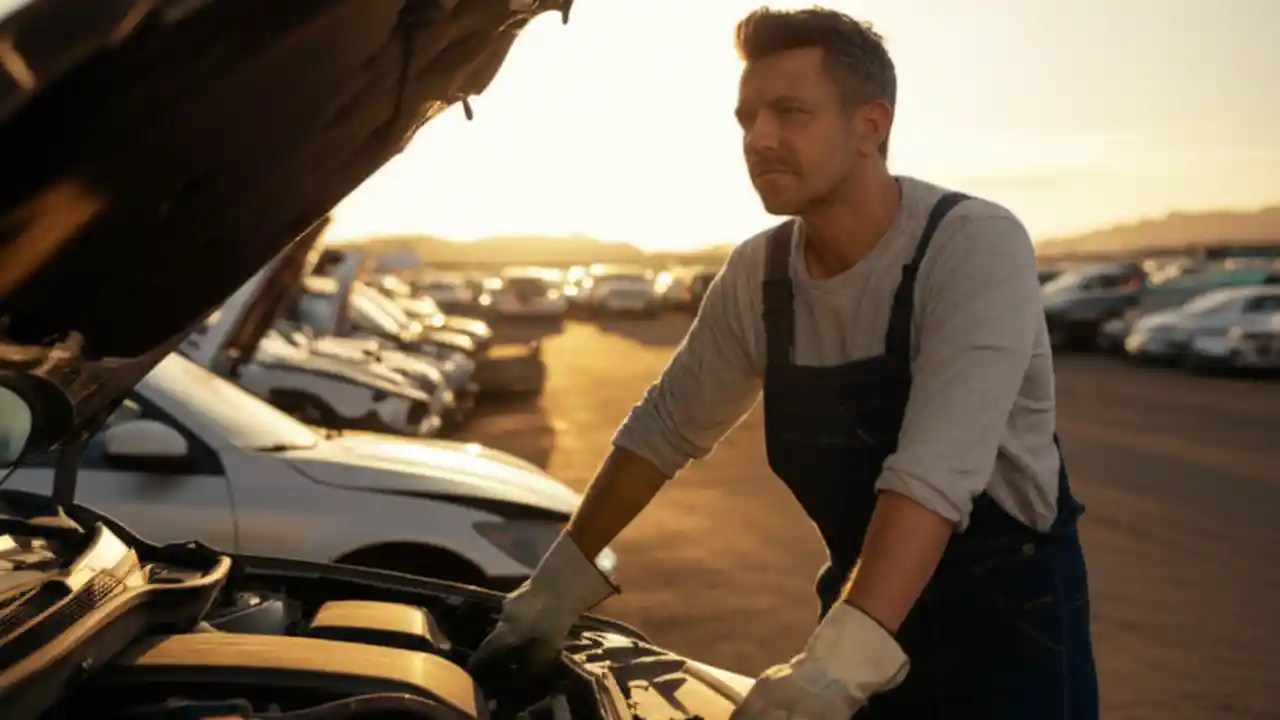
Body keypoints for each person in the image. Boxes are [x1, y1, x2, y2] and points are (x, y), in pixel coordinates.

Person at [470, 7, 1099, 719]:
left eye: (790, 112)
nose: (759, 138)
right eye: (747, 117)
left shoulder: (972, 246)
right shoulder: (759, 275)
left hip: (1004, 619)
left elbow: (933, 475)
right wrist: (553, 590)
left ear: (872, 125)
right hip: (862, 597)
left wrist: (834, 675)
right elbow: (663, 430)